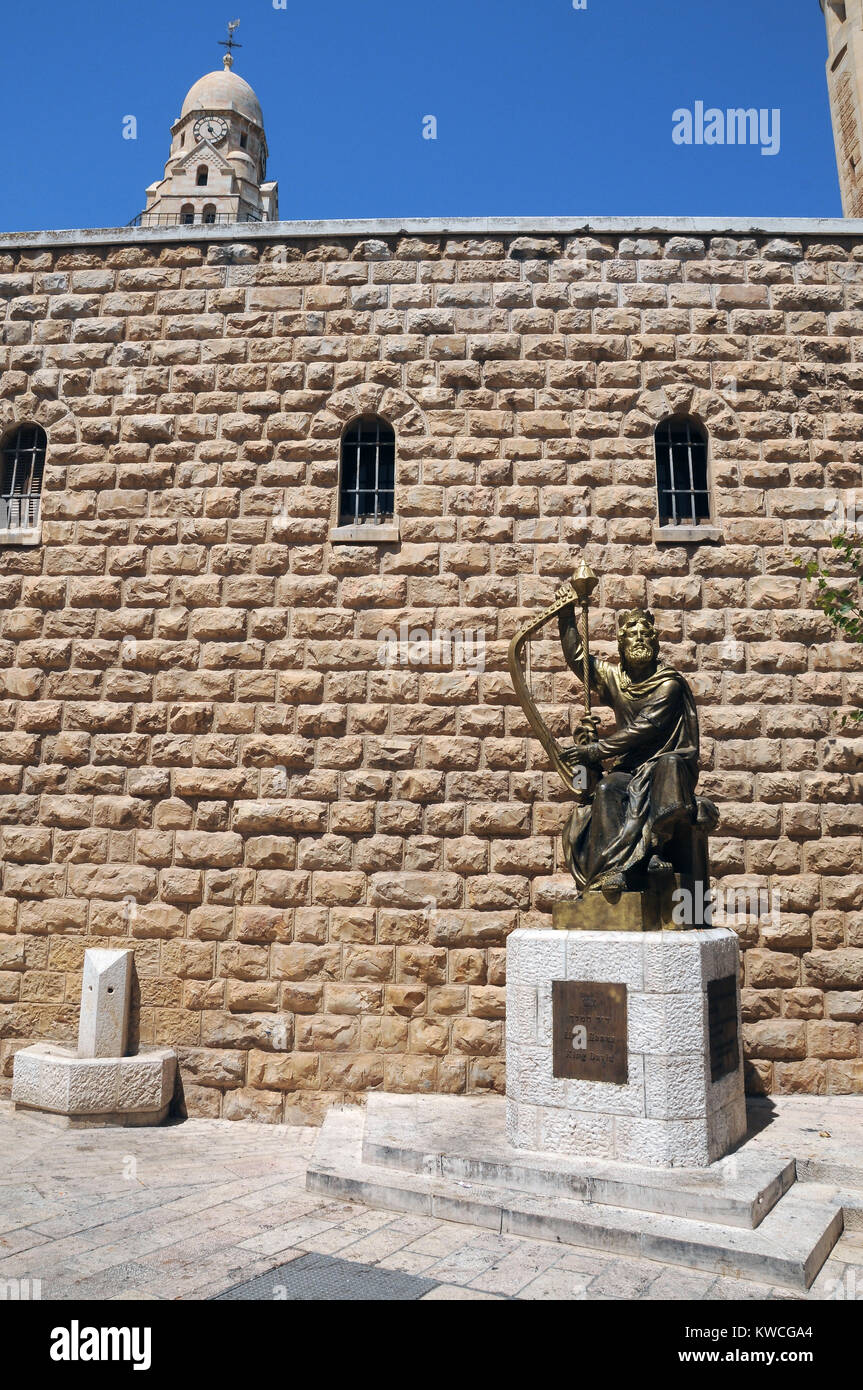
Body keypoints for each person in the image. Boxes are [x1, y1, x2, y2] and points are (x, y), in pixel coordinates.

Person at [556, 602, 703, 892]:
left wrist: (596, 750)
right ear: (622, 644)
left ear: (654, 642)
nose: (638, 638)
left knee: (667, 767)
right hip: (631, 769)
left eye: (644, 634)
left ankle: (654, 848)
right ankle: (614, 872)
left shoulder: (668, 684)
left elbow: (644, 727)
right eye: (632, 634)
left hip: (665, 766)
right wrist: (566, 615)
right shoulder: (616, 679)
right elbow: (578, 659)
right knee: (607, 788)